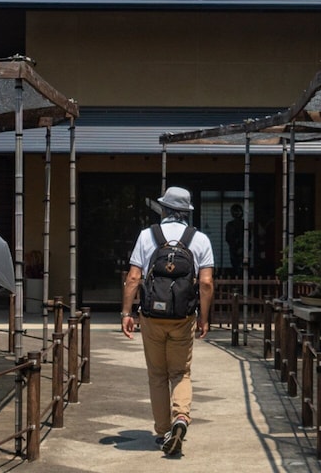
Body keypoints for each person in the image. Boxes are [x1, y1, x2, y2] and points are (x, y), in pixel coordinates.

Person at [120, 186, 215, 456]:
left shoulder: (146, 236)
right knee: (180, 372)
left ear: (164, 209)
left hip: (151, 317)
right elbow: (206, 283)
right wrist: (204, 319)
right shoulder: (200, 239)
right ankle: (181, 418)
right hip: (183, 318)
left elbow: (134, 278)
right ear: (186, 212)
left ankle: (162, 431)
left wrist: (127, 313)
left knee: (157, 375)